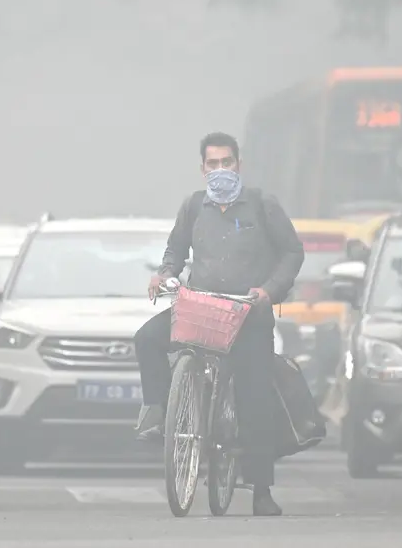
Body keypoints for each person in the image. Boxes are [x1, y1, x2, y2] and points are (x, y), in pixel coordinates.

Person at [133, 132, 304, 517]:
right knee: (147, 338)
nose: (221, 170)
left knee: (254, 399)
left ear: (239, 165)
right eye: (214, 164)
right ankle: (160, 414)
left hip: (249, 314)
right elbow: (175, 248)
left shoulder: (262, 204)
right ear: (202, 169)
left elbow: (293, 251)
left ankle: (261, 490)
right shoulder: (194, 207)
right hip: (201, 309)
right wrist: (165, 273)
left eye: (228, 162)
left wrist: (270, 290)